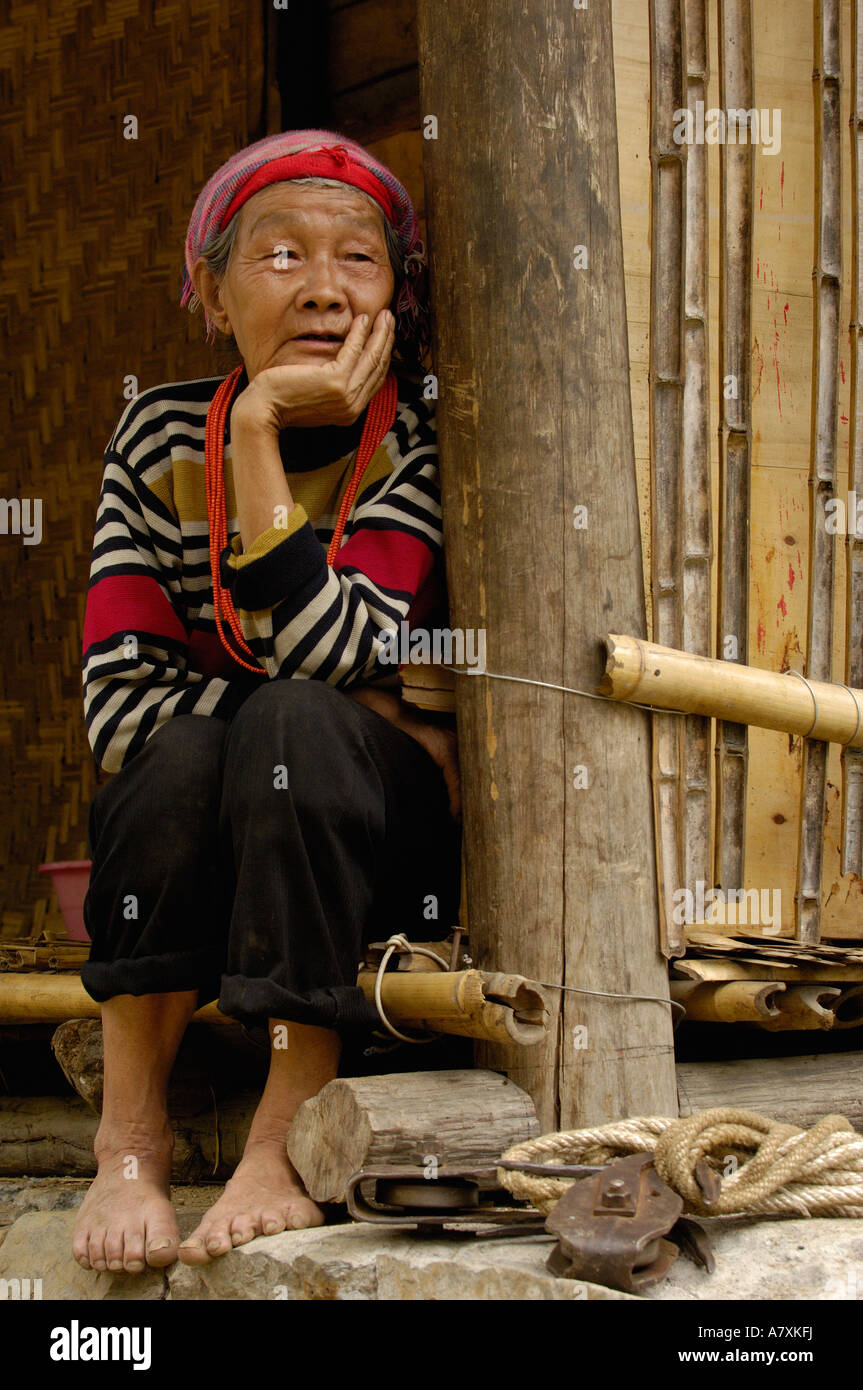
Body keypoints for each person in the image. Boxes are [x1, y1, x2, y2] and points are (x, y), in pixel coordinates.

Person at [72, 129, 462, 1275]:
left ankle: (286, 1132)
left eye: (359, 260)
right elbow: (116, 710)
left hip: (376, 855)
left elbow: (333, 652)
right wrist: (249, 424)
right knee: (186, 754)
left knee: (289, 722)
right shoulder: (157, 437)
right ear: (209, 291)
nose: (325, 290)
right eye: (279, 255)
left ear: (395, 296)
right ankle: (128, 1135)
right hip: (220, 826)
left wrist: (255, 456)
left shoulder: (415, 444)